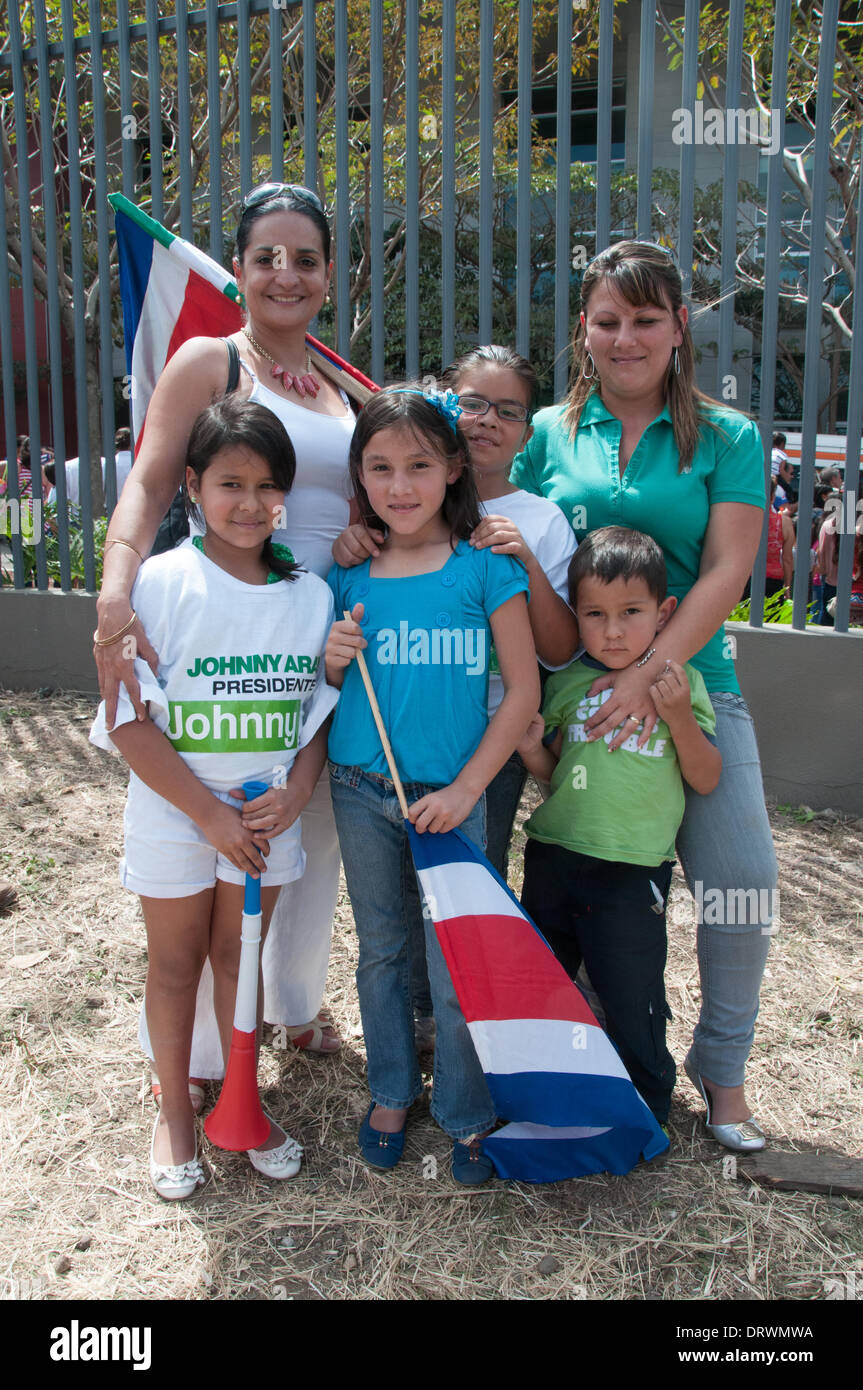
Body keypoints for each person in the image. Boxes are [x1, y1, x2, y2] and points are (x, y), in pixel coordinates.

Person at [94, 183, 368, 1092]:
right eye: (266, 258)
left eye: (305, 258)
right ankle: (203, 1060)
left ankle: (287, 1003)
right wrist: (116, 588)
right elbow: (149, 482)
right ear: (240, 271)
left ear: (330, 274)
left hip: (321, 635)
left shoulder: (343, 385)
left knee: (307, 825)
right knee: (221, 816)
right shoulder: (212, 361)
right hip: (226, 628)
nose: (285, 274)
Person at [505, 240, 775, 1152]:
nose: (625, 337)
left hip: (693, 688)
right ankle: (552, 1047)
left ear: (679, 327)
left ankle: (721, 1069)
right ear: (584, 327)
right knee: (569, 883)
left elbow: (729, 568)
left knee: (742, 882)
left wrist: (644, 672)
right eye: (608, 319)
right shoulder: (544, 433)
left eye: (646, 319)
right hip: (565, 697)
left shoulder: (727, 437)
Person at [89, 397, 338, 1198]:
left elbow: (312, 722)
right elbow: (128, 724)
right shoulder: (157, 586)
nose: (252, 503)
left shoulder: (309, 597)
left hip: (264, 823)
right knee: (175, 963)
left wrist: (297, 792)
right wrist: (209, 816)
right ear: (191, 485)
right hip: (178, 814)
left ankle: (244, 1097)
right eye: (230, 483)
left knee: (241, 959)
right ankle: (174, 1113)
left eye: (269, 486)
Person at [325, 386, 539, 1184]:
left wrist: (466, 791)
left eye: (418, 465)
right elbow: (329, 675)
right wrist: (333, 656)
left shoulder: (485, 568)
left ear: (453, 468)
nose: (399, 486)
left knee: (458, 960)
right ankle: (389, 1091)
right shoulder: (350, 569)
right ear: (360, 476)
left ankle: (464, 1108)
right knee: (381, 951)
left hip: (453, 794)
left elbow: (520, 693)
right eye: (378, 468)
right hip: (359, 784)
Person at [519, 528, 721, 1127]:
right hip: (555, 857)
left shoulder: (679, 685)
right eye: (594, 615)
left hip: (634, 870)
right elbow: (561, 780)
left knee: (632, 992)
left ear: (664, 613)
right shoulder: (564, 685)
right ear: (574, 616)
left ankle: (647, 1105)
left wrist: (678, 714)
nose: (611, 630)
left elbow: (706, 777)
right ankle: (554, 1091)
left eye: (630, 613)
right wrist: (533, 753)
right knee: (550, 985)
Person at [764, 477, 794, 599]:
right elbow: (787, 559)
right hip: (773, 581)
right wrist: (787, 588)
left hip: (745, 578)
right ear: (772, 497)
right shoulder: (784, 522)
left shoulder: (743, 520)